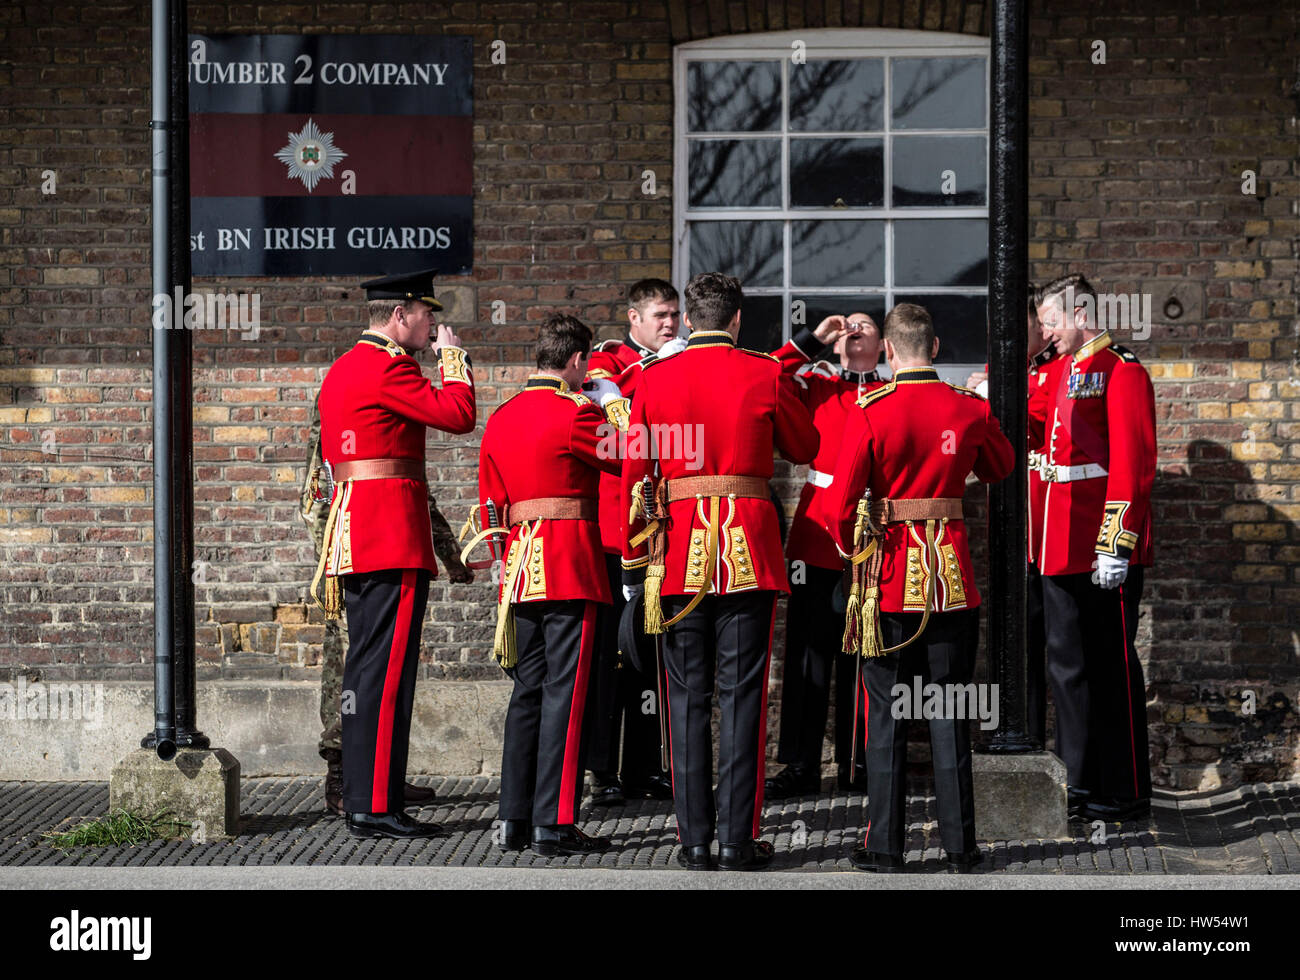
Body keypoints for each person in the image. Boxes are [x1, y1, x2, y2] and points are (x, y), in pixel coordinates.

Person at [622, 272, 818, 871]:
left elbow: (637, 470)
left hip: (679, 552)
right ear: (736, 321)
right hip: (749, 553)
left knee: (685, 699)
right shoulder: (764, 372)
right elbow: (804, 447)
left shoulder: (654, 378)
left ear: (689, 321)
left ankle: (694, 840)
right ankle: (736, 838)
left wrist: (635, 561)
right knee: (742, 696)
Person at [824, 302, 1014, 873]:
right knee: (949, 711)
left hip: (886, 582)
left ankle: (885, 845)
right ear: (933, 350)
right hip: (951, 582)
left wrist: (853, 547)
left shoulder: (870, 408)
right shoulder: (967, 409)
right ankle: (960, 848)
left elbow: (837, 506)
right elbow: (1002, 467)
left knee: (884, 715)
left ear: (888, 352)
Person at [310, 269, 477, 840]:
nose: (434, 326)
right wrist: (454, 362)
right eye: (427, 314)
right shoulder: (386, 366)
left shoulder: (345, 366)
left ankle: (369, 788)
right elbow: (458, 415)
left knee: (369, 669)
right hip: (389, 535)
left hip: (362, 534)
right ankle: (372, 804)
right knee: (385, 673)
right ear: (401, 314)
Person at [469, 313, 622, 856]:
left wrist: (506, 559)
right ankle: (553, 821)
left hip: (521, 563)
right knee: (568, 691)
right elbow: (632, 456)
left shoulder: (504, 415)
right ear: (577, 361)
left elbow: (491, 501)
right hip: (569, 564)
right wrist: (616, 406)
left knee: (528, 691)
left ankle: (513, 817)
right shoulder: (577, 412)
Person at [1028, 274, 1155, 824]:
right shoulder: (1062, 370)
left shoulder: (1121, 369)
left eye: (1051, 321)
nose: (1046, 332)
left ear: (1081, 313)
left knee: (1110, 666)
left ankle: (1124, 787)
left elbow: (1133, 462)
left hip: (1101, 544)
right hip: (1058, 539)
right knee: (1067, 669)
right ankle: (1078, 780)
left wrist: (1116, 543)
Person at [765, 312, 885, 798]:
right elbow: (769, 377)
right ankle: (800, 764)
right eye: (847, 327)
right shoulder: (815, 384)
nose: (854, 330)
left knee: (865, 648)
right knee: (808, 653)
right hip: (817, 534)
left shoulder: (893, 389)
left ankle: (859, 760)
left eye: (866, 326)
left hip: (872, 532)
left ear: (884, 344)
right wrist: (810, 339)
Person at [583, 279, 679, 806]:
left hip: (654, 530)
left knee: (647, 649)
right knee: (607, 656)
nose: (670, 323)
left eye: (674, 315)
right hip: (610, 529)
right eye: (660, 315)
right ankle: (603, 769)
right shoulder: (609, 359)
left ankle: (643, 765)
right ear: (634, 318)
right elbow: (619, 423)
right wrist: (664, 364)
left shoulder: (673, 360)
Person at [965, 292, 1055, 749]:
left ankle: (1033, 742)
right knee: (1017, 649)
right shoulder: (992, 374)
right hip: (1016, 531)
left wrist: (997, 404)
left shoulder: (1049, 374)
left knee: (1049, 652)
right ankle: (1020, 736)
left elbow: (1034, 431)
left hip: (1048, 529)